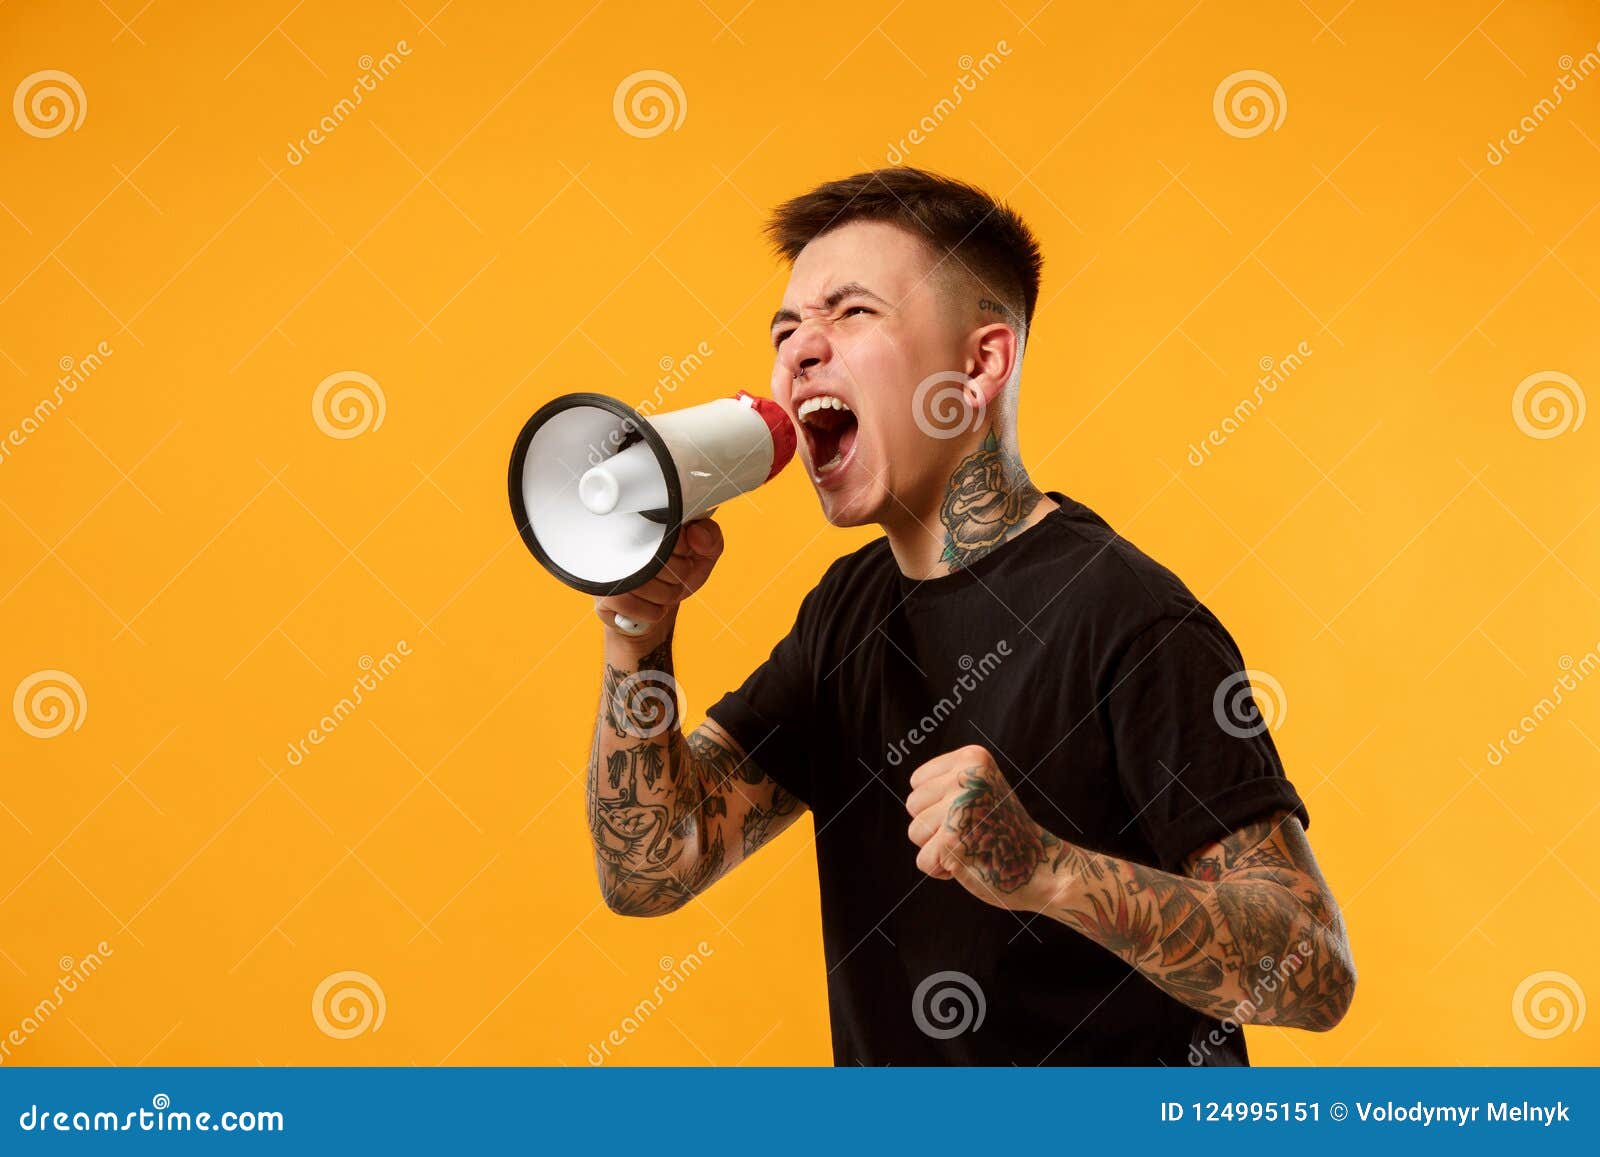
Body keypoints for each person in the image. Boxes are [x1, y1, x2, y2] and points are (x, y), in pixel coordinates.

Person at [584, 167, 1356, 1065]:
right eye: (785, 330)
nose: (798, 352)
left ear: (981, 364)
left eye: (852, 312)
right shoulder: (846, 611)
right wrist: (637, 637)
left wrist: (1049, 870)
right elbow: (654, 867)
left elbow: (1313, 966)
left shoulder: (1129, 616)